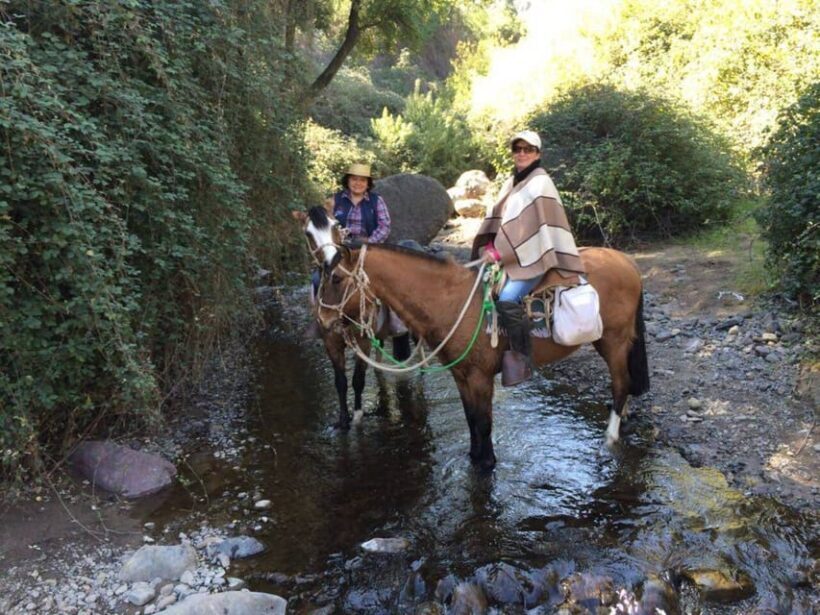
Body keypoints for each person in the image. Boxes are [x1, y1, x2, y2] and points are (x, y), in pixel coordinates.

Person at [471, 130, 585, 386]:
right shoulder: (512, 181)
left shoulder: (541, 183)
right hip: (511, 256)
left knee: (508, 299)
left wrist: (500, 253)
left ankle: (523, 359)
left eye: (528, 149)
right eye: (517, 149)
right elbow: (501, 221)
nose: (521, 153)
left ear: (537, 154)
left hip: (535, 257)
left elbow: (532, 231)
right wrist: (489, 245)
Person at [307, 163, 391, 337]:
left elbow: (384, 227)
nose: (358, 183)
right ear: (347, 181)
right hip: (341, 252)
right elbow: (325, 226)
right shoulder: (334, 201)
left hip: (369, 251)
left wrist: (369, 242)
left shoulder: (377, 201)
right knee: (317, 278)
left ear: (368, 183)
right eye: (354, 179)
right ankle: (318, 319)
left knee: (387, 281)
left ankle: (394, 323)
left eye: (362, 180)